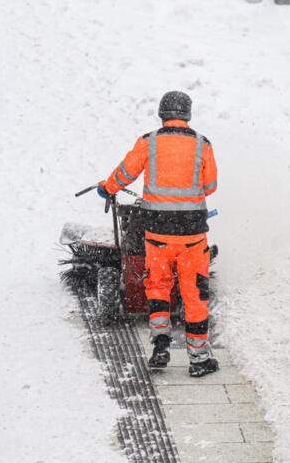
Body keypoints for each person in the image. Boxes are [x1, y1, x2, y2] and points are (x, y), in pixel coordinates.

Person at [97, 90, 219, 376]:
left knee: (158, 287)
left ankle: (160, 347)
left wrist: (107, 187)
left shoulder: (148, 142)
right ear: (187, 114)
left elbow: (125, 174)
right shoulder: (203, 144)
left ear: (162, 114)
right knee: (194, 294)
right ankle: (199, 360)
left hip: (158, 235)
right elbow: (211, 185)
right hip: (192, 238)